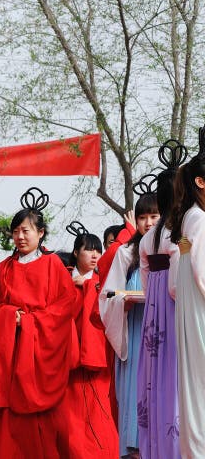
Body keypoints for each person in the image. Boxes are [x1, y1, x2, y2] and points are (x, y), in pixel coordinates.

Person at [0, 187, 77, 457]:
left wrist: (31, 321)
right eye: (15, 231)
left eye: (26, 231)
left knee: (44, 423)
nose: (20, 237)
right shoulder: (4, 268)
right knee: (9, 419)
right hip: (10, 352)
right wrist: (10, 316)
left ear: (40, 233)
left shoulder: (53, 265)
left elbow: (65, 306)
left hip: (39, 354)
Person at [100, 175, 160, 458]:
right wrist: (121, 303)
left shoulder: (171, 247)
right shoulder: (126, 252)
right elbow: (107, 295)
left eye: (154, 216)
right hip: (134, 331)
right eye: (143, 217)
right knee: (136, 392)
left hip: (164, 331)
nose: (148, 223)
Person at [137, 140, 185, 458]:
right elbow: (178, 283)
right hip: (173, 305)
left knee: (155, 375)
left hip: (154, 308)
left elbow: (145, 276)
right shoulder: (178, 234)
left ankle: (155, 445)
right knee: (175, 373)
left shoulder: (148, 238)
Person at [61, 221, 119, 457]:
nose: (95, 255)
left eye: (98, 250)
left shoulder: (102, 281)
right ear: (76, 252)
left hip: (97, 355)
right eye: (88, 250)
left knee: (99, 411)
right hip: (68, 357)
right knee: (69, 417)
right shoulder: (62, 278)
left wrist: (88, 285)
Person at [168, 126, 205, 458]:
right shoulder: (200, 220)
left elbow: (176, 284)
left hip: (193, 312)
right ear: (201, 182)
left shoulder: (190, 219)